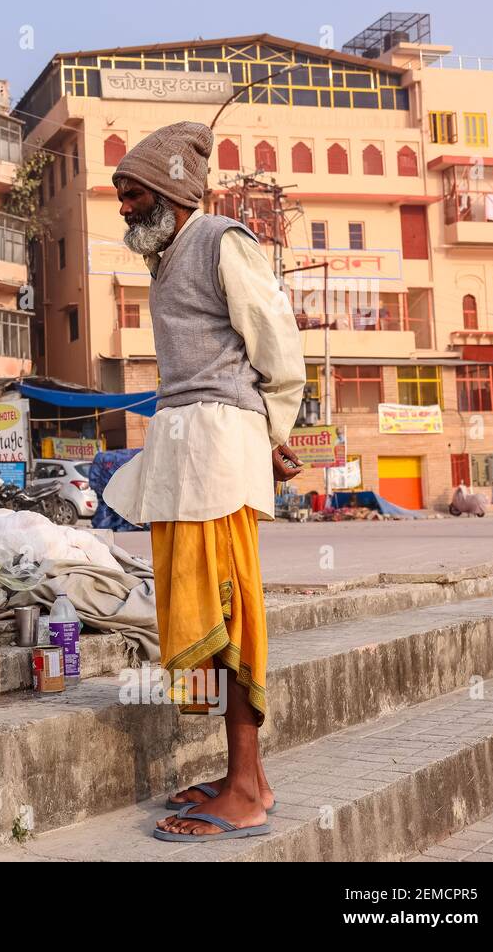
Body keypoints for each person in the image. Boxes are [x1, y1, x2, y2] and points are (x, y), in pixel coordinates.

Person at [101, 122, 306, 841]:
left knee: (227, 612)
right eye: (120, 196)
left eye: (132, 195)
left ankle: (247, 789)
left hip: (219, 446)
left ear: (169, 191)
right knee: (195, 611)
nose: (122, 208)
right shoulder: (167, 257)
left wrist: (271, 433)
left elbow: (279, 351)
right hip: (185, 448)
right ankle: (241, 775)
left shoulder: (224, 241)